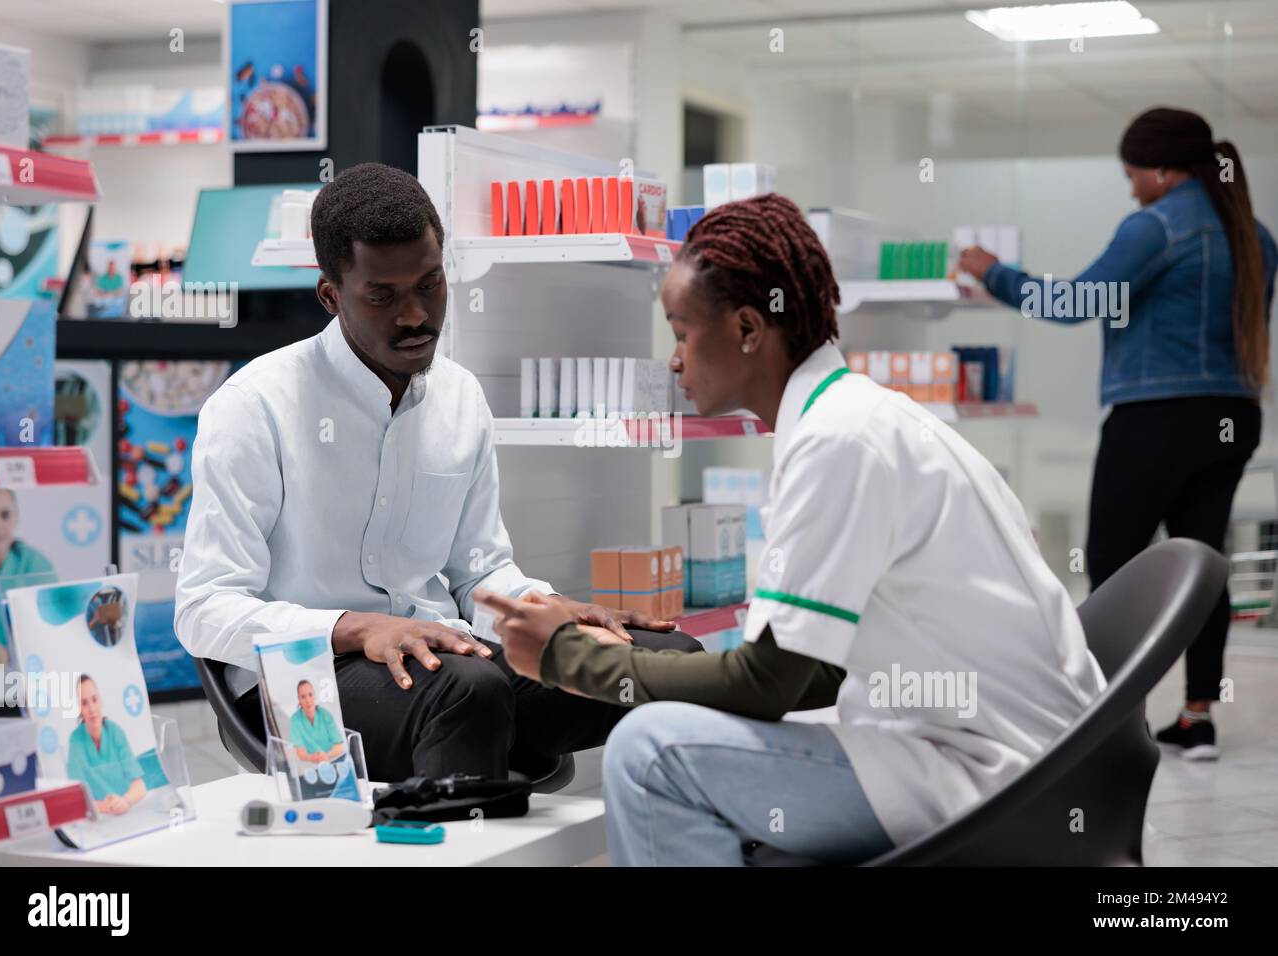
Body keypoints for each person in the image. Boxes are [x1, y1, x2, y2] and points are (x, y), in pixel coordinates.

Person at [476, 193, 1107, 866]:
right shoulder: (856, 418)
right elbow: (815, 672)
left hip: (997, 774)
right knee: (702, 735)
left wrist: (566, 657)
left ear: (749, 328)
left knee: (649, 753)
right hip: (1022, 753)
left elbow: (766, 682)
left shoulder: (840, 442)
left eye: (683, 332)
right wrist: (645, 664)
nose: (675, 361)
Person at [174, 163, 700, 783]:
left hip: (445, 658)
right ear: (330, 295)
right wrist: (353, 627)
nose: (415, 316)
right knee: (467, 692)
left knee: (667, 661)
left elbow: (479, 569)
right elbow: (204, 607)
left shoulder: (459, 397)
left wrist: (547, 610)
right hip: (300, 676)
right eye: (383, 296)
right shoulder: (254, 406)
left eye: (430, 285)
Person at [958, 107, 1278, 761]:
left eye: (1133, 173)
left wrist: (993, 272)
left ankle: (1106, 717)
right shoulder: (1257, 235)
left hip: (1155, 418)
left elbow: (1077, 302)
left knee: (1113, 566)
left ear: (1162, 171)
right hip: (1232, 417)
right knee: (1203, 564)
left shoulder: (1155, 226)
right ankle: (1197, 719)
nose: (1130, 186)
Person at [0, 489, 55, 671]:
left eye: (5, 515)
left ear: (16, 519)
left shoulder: (36, 566)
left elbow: (53, 635)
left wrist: (9, 654)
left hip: (25, 678)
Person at [66, 674, 146, 816]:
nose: (91, 709)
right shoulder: (76, 741)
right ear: (79, 708)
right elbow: (76, 797)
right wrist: (104, 806)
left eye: (94, 700)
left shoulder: (115, 731)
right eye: (84, 703)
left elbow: (140, 786)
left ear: (101, 701)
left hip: (128, 811)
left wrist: (125, 801)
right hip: (99, 817)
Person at [290, 679, 344, 764]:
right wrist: (312, 758)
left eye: (310, 695)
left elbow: (339, 746)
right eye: (303, 697)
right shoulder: (295, 720)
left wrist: (326, 756)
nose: (308, 700)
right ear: (299, 700)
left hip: (333, 761)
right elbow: (300, 752)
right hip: (310, 766)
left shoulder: (325, 715)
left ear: (314, 695)